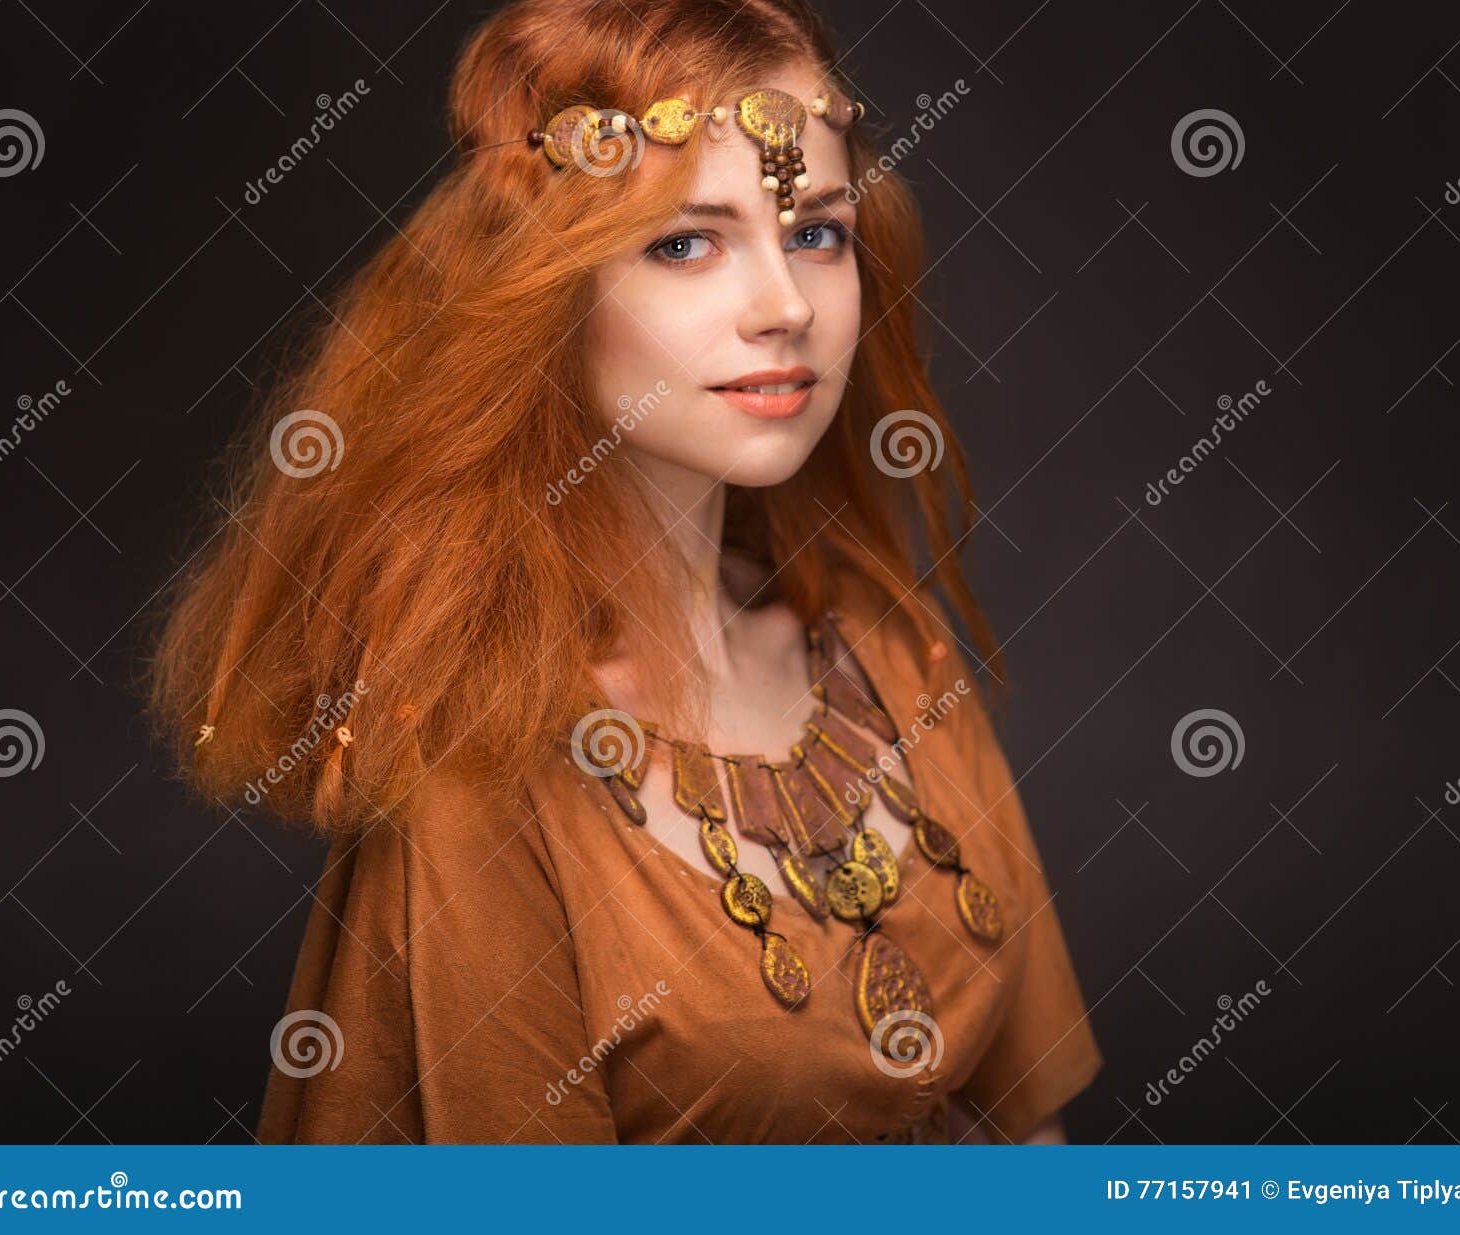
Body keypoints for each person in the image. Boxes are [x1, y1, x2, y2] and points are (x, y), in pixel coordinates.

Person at [148, 0, 1101, 1144]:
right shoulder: (478, 766)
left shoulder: (886, 645)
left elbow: (1033, 1139)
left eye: (816, 232)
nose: (786, 306)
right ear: (544, 290)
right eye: (684, 243)